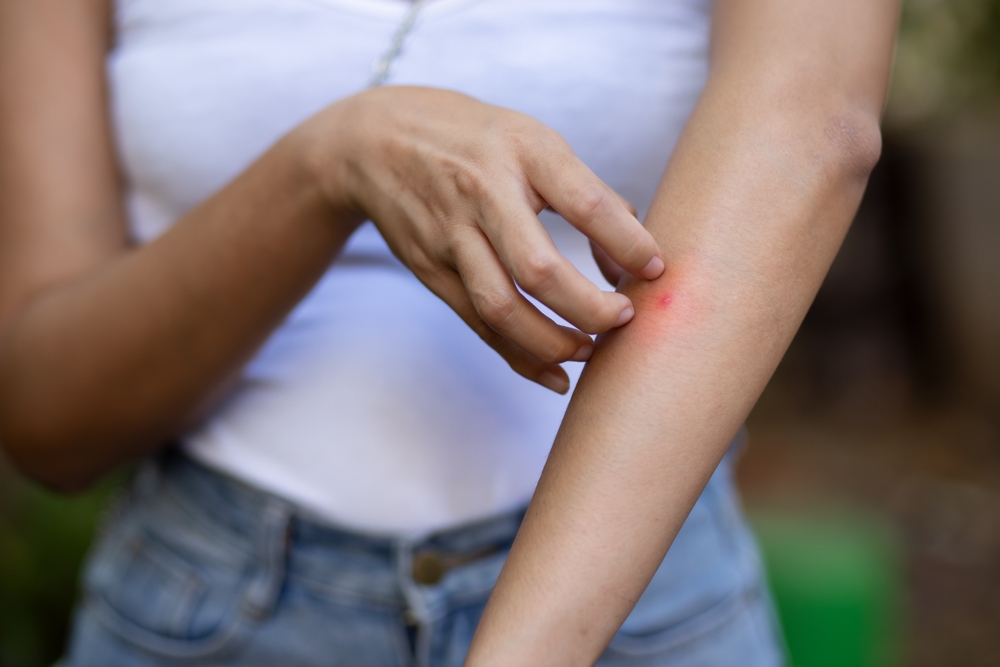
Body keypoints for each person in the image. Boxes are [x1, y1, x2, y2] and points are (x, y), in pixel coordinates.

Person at [0, 0, 899, 665]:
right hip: (207, 605)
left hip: (634, 601)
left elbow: (809, 122)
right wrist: (329, 164)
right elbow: (46, 414)